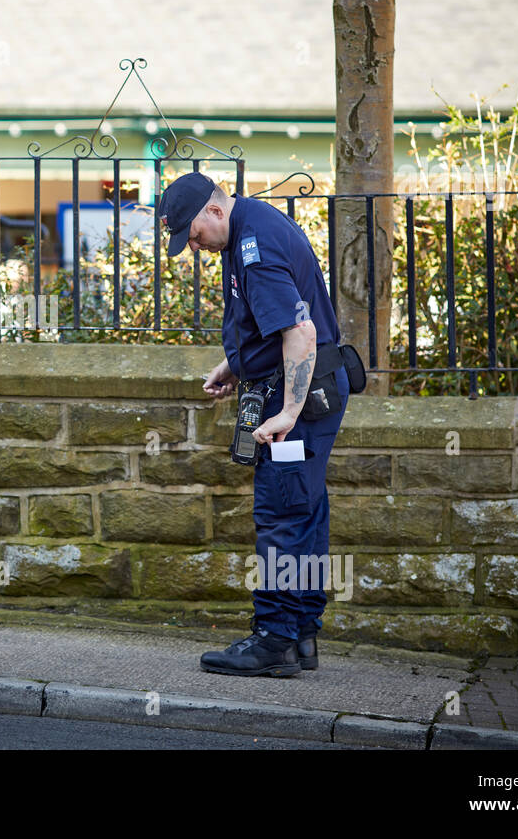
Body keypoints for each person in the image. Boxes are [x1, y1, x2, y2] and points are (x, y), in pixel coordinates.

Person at [157, 171, 350, 677]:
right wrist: (236, 364)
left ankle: (275, 640)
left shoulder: (254, 248)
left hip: (300, 401)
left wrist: (287, 411)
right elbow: (273, 327)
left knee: (283, 514)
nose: (194, 247)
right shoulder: (250, 229)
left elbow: (300, 333)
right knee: (306, 514)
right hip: (313, 389)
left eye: (193, 235)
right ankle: (302, 633)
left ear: (215, 211)